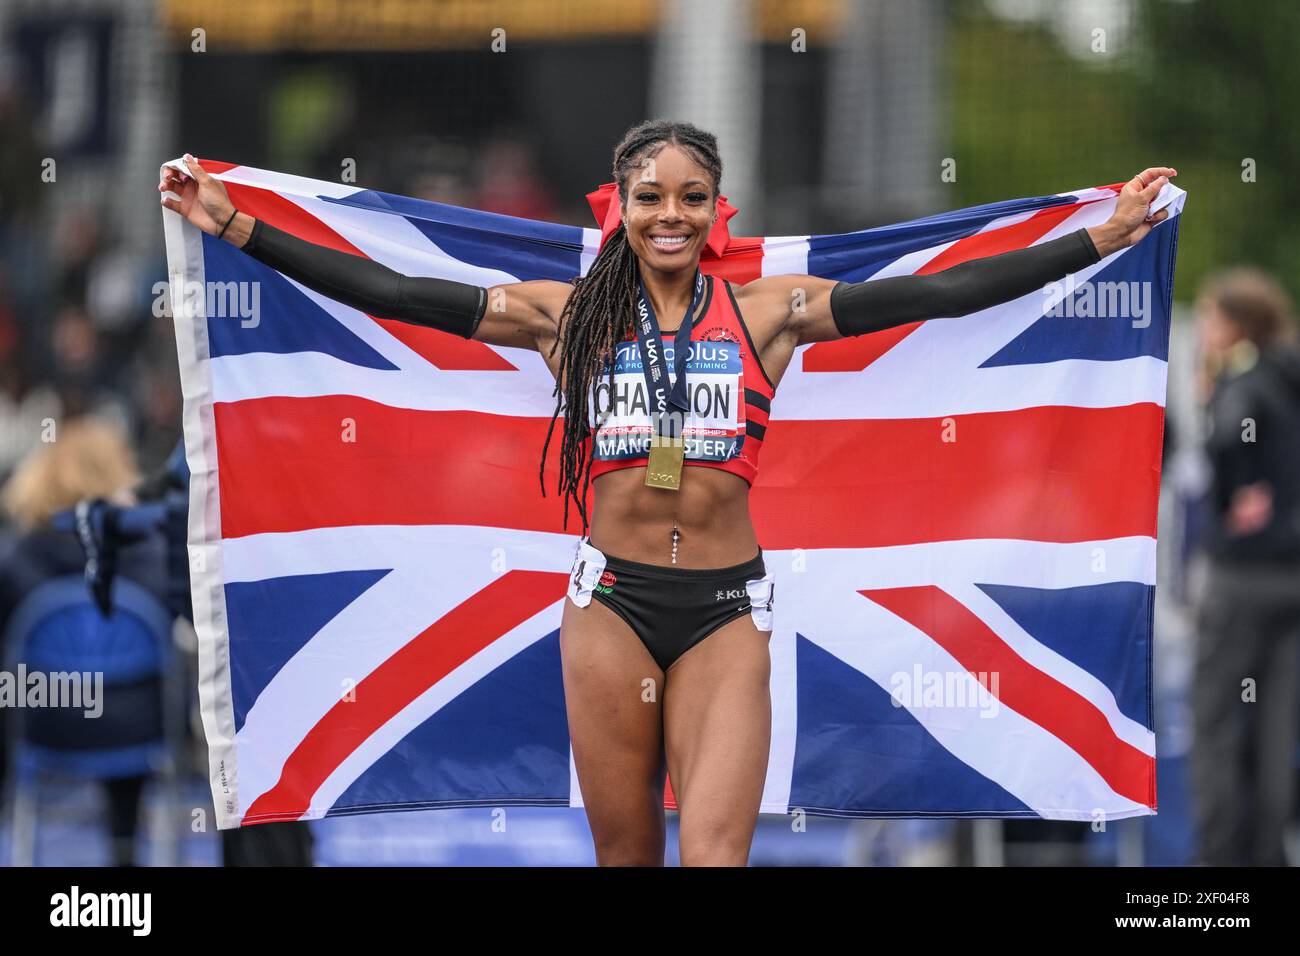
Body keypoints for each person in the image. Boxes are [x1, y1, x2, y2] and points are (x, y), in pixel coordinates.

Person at [160, 120, 1174, 866]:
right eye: (650, 196)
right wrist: (239, 225)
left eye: (691, 196)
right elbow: (397, 294)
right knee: (627, 855)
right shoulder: (564, 318)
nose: (670, 213)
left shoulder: (772, 314)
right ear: (622, 208)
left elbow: (933, 294)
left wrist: (1099, 239)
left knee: (716, 856)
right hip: (608, 607)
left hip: (727, 610)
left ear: (715, 210)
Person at [1189, 267, 1300, 866]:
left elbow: (1232, 439)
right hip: (1293, 578)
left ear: (1237, 324)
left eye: (1210, 318)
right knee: (1274, 730)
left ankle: (1219, 877)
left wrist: (1237, 490)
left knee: (1219, 728)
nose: (1204, 331)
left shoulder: (1244, 378)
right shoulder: (1292, 373)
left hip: (1243, 580)